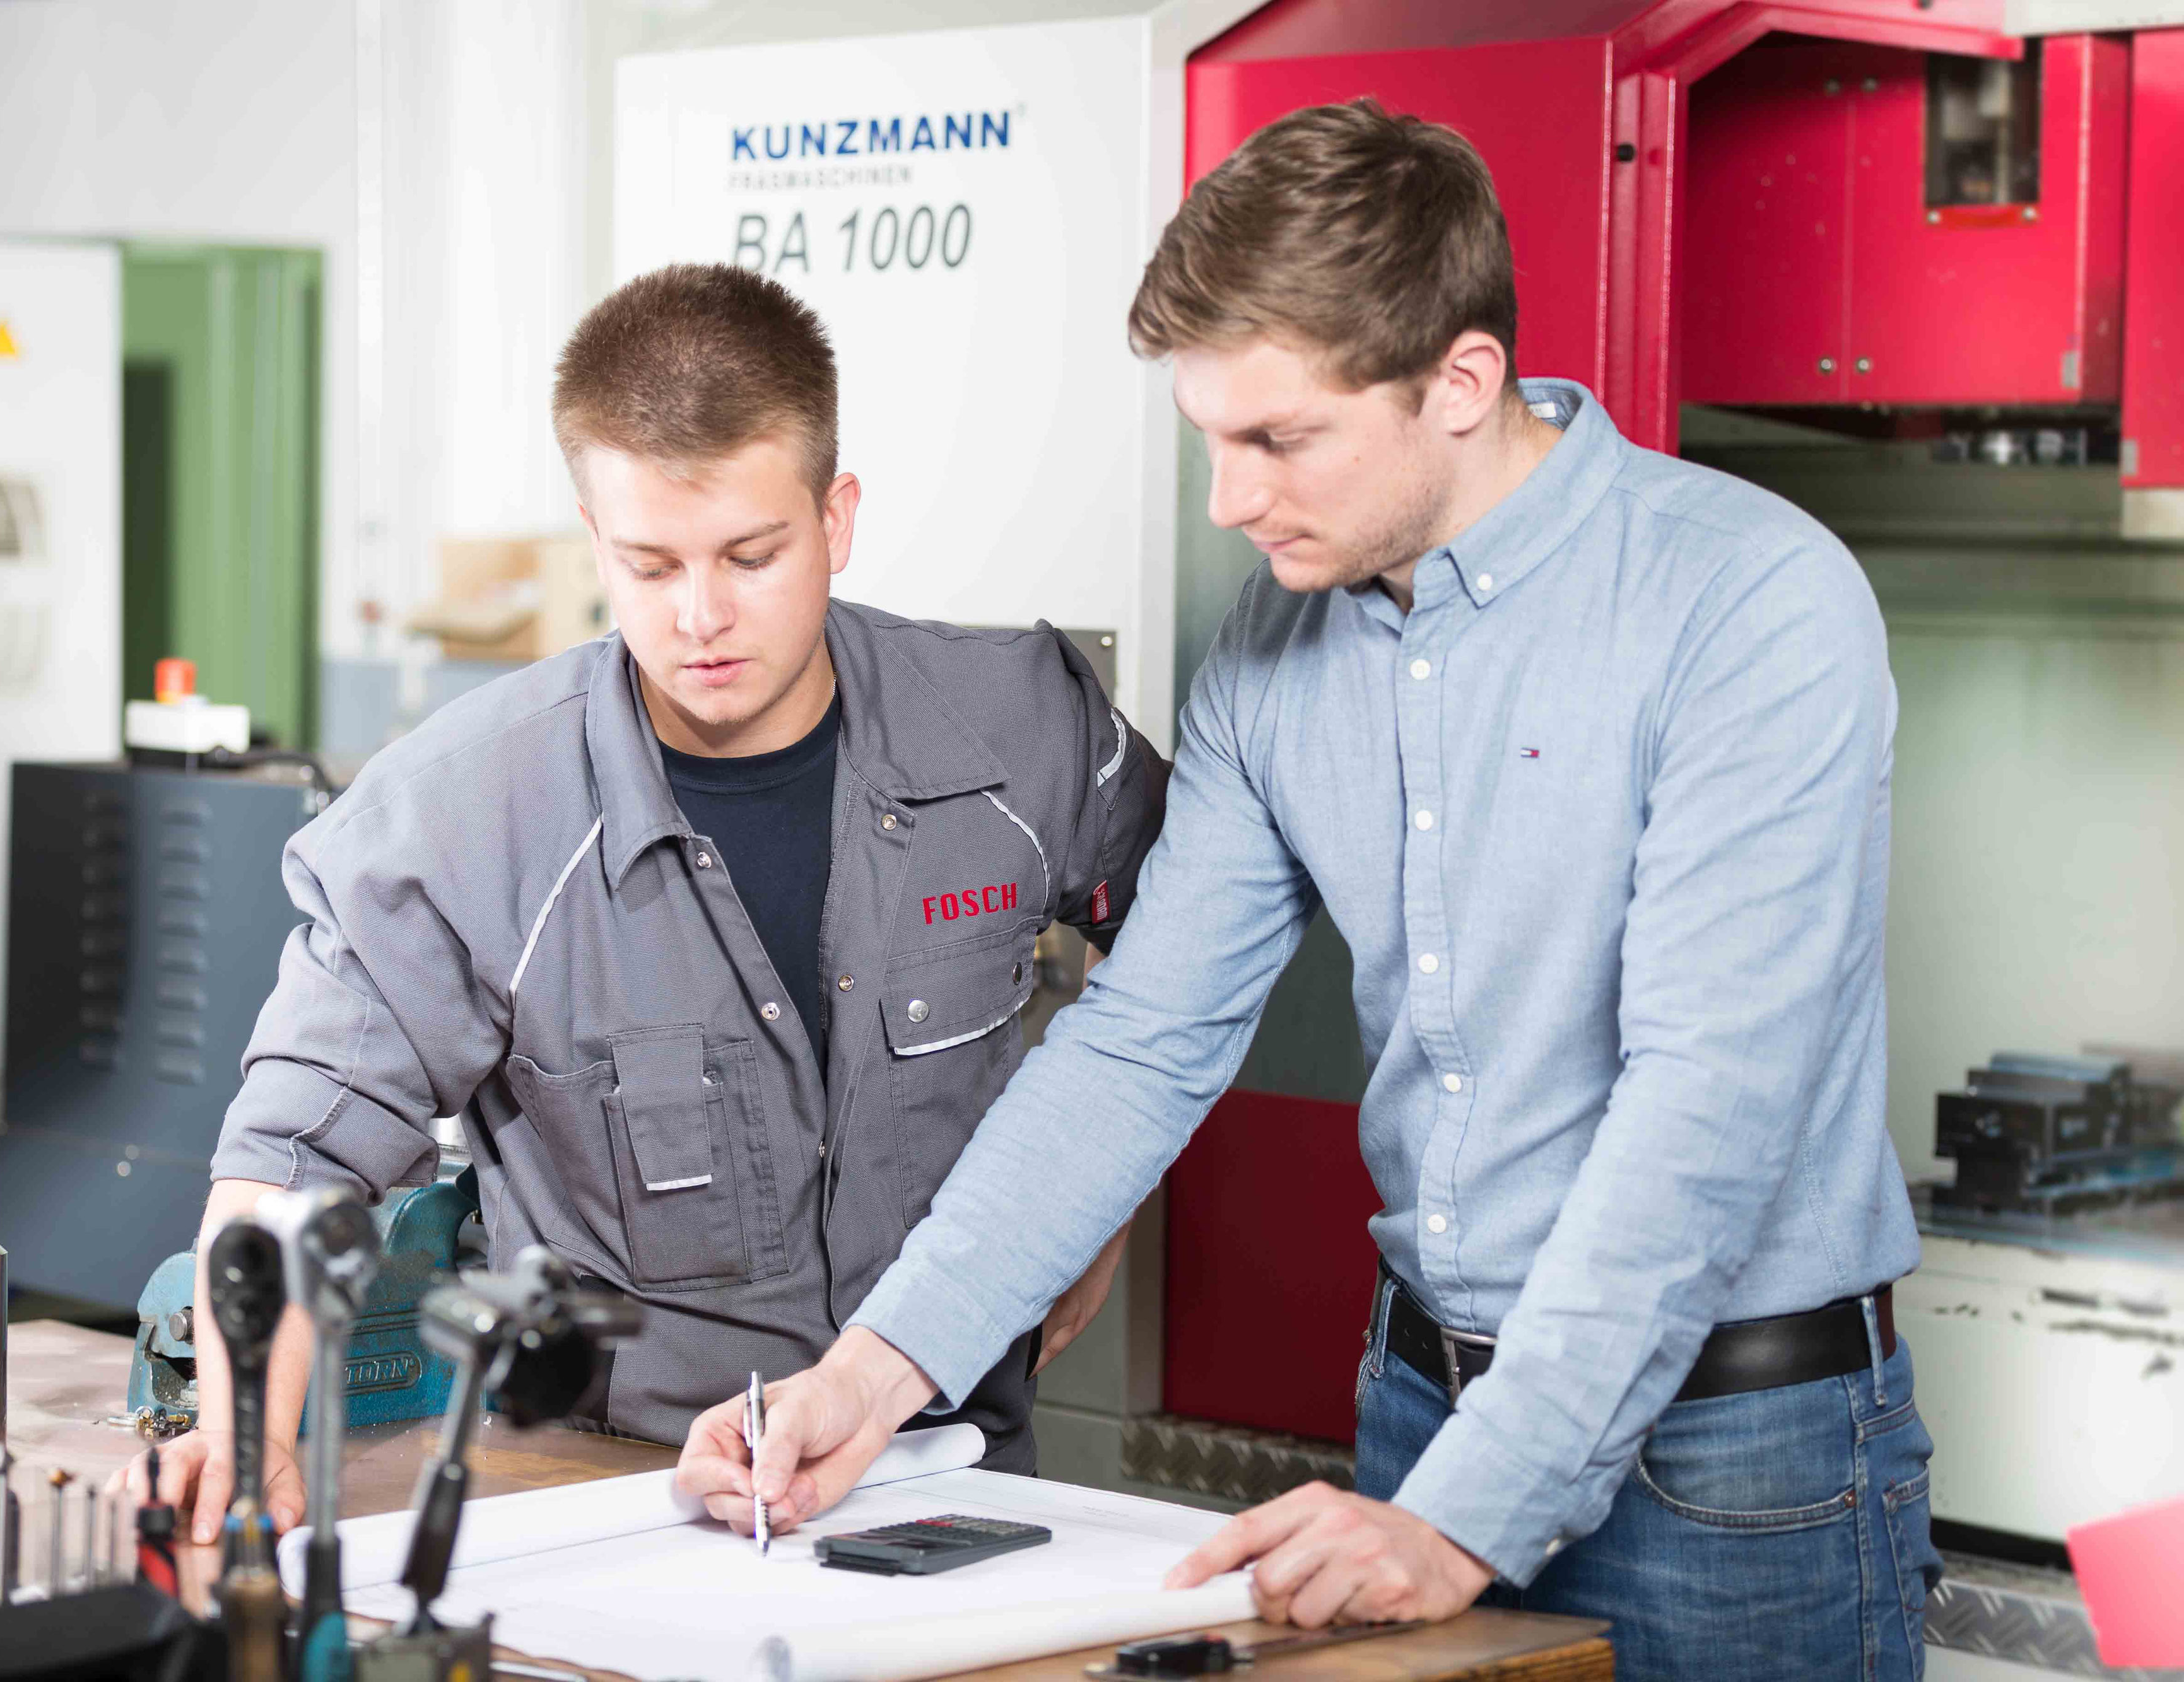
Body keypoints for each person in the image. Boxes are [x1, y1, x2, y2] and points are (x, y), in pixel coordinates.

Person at [676, 102, 1937, 1681]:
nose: (1227, 500)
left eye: (1278, 440)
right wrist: (868, 1377)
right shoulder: (1273, 655)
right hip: (1421, 1407)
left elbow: (1706, 1106)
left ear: (1459, 382)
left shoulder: (1745, 602)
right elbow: (1141, 1042)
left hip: (1732, 1452)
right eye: (1210, 437)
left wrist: (1463, 1513)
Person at [131, 263, 1168, 1542]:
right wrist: (241, 1440)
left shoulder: (1017, 732)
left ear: (835, 517)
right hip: (614, 1508)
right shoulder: (466, 817)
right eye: (649, 563)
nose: (701, 616)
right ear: (594, 543)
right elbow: (293, 1157)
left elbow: (1184, 968)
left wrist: (1097, 1198)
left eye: (751, 553)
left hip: (959, 1490)